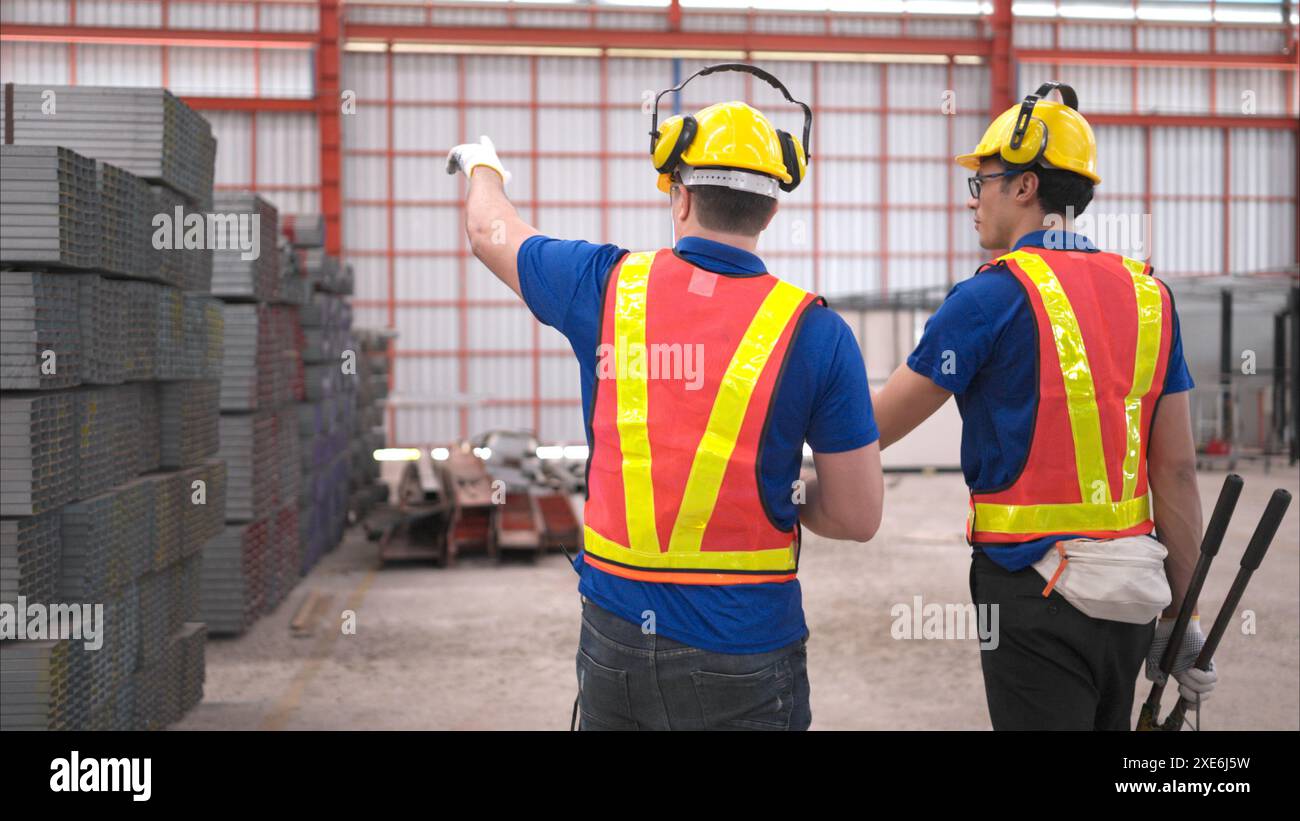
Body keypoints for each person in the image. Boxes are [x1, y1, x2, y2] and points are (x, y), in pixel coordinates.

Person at [446, 64, 882, 731]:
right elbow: (856, 515)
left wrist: (483, 166)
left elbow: (490, 232)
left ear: (679, 197)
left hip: (619, 638)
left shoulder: (606, 286)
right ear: (772, 206)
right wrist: (783, 499)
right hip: (747, 649)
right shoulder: (817, 333)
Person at [871, 83, 1216, 730]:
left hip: (1030, 593)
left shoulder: (988, 298)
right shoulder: (1150, 299)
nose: (974, 199)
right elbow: (1175, 470)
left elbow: (873, 428)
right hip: (1134, 595)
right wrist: (1184, 612)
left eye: (984, 181)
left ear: (1025, 186)